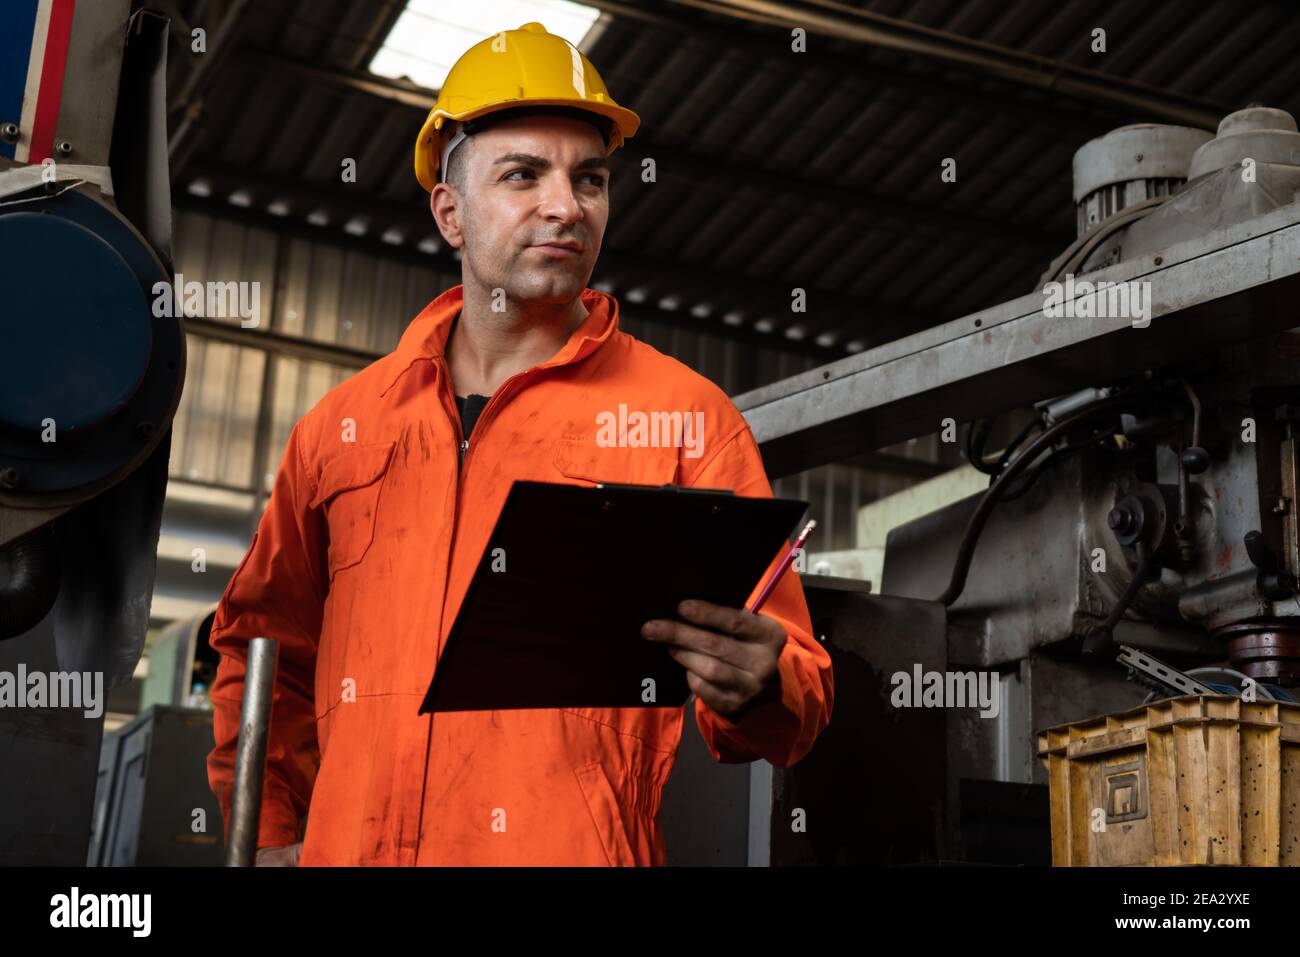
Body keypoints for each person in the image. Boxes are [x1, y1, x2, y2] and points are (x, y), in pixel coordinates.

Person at [207, 21, 833, 866]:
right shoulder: (343, 429)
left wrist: (766, 682)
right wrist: (275, 833)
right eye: (523, 175)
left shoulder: (685, 420)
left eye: (591, 179)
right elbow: (262, 646)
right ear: (450, 213)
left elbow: (792, 674)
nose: (565, 205)